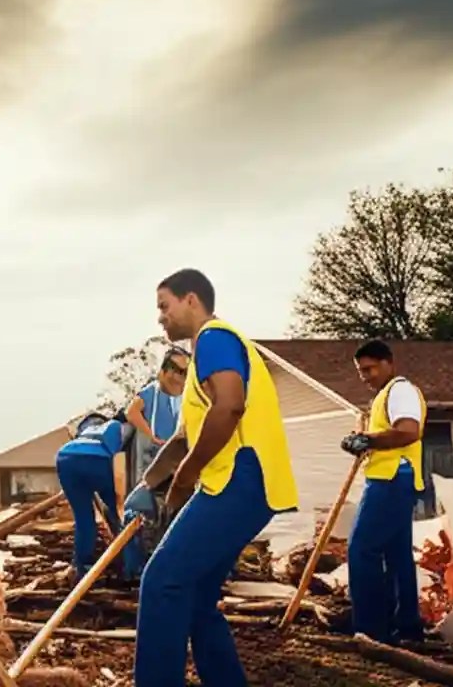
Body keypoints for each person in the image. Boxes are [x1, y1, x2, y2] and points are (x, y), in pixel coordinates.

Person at [134, 269, 298, 687]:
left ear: (191, 300)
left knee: (162, 583)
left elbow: (229, 407)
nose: (160, 317)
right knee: (197, 601)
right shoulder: (201, 362)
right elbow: (184, 439)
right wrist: (146, 485)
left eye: (163, 306)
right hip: (243, 485)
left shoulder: (214, 338)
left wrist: (185, 477)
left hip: (238, 480)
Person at [340, 339, 426, 645]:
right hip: (395, 479)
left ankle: (371, 631)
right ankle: (407, 628)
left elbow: (408, 430)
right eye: (361, 371)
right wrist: (367, 440)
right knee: (398, 556)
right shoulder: (384, 396)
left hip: (391, 479)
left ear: (389, 363)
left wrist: (368, 440)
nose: (365, 376)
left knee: (362, 550)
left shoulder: (400, 390)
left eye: (370, 368)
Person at [121, 347, 189, 579]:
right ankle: (135, 571)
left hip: (175, 468)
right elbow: (131, 412)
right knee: (140, 514)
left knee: (171, 519)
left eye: (185, 372)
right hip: (153, 469)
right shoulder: (151, 392)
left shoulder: (182, 399)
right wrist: (150, 434)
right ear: (165, 370)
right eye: (178, 371)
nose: (181, 377)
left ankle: (166, 569)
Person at [55, 412, 126, 579]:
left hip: (66, 458)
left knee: (84, 518)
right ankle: (128, 565)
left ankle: (81, 567)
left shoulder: (83, 433)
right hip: (100, 460)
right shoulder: (115, 426)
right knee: (119, 513)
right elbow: (120, 456)